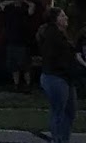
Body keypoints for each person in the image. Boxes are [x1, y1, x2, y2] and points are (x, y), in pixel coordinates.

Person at [37, 7, 77, 143]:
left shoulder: (62, 34)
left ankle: (64, 139)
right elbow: (54, 57)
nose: (66, 18)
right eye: (62, 16)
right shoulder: (52, 35)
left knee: (70, 111)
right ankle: (58, 139)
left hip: (66, 77)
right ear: (55, 20)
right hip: (55, 77)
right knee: (58, 111)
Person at [0, 0, 37, 91]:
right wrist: (13, 1)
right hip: (11, 42)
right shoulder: (9, 11)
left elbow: (32, 6)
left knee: (25, 66)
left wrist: (24, 0)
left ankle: (28, 84)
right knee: (13, 66)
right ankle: (16, 84)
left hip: (22, 43)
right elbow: (1, 4)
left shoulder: (24, 12)